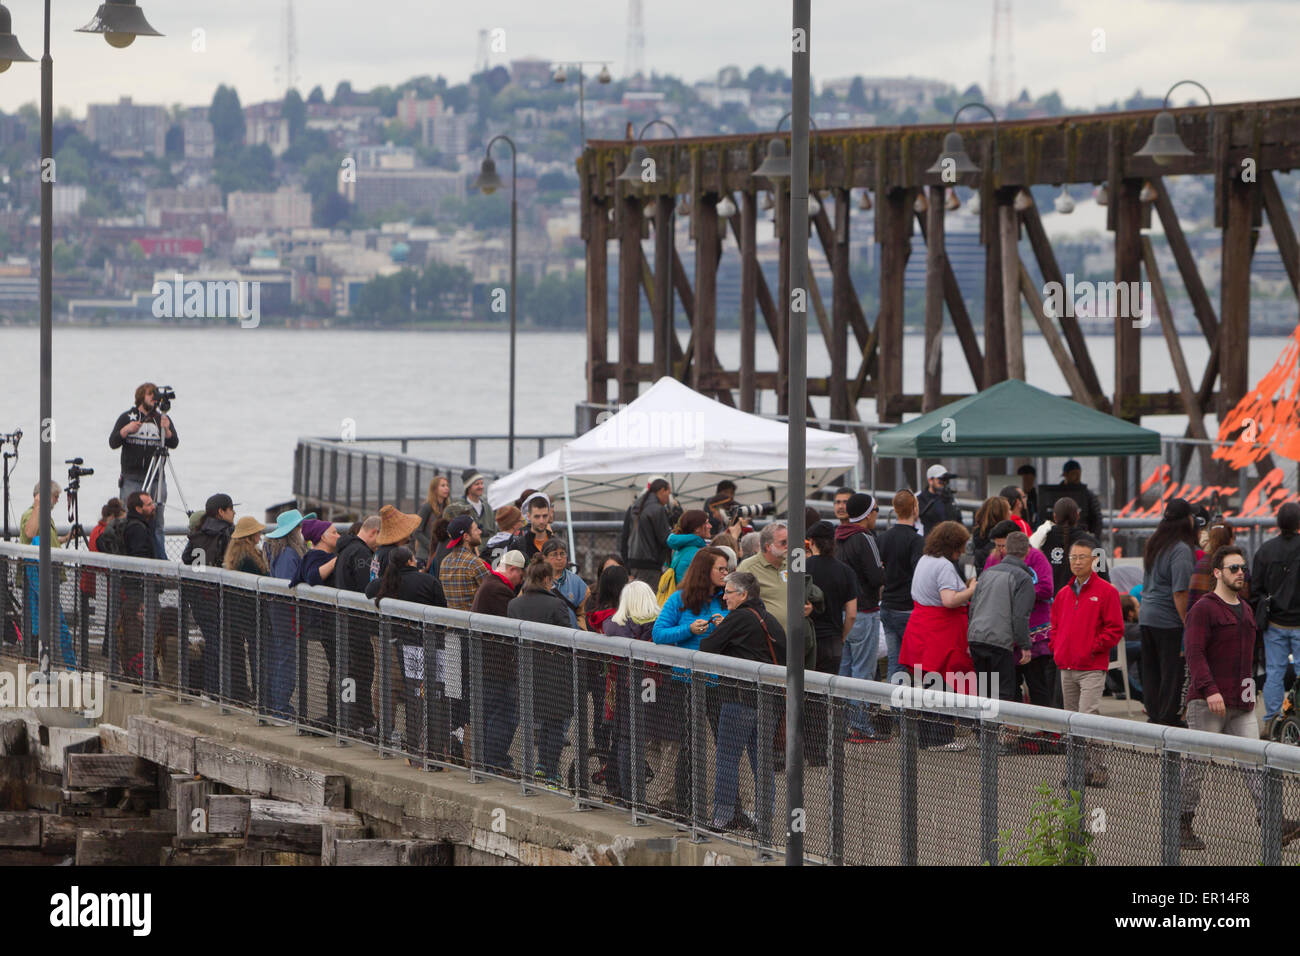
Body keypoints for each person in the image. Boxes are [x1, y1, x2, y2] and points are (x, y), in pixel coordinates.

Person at [1179, 544, 1300, 850]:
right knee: (1196, 764)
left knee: (1256, 763)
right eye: (1234, 568)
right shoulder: (1203, 609)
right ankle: (1181, 821)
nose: (1240, 573)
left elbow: (1248, 659)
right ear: (1217, 573)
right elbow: (1194, 654)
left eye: (1243, 568)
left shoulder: (1246, 610)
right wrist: (1210, 690)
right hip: (1208, 703)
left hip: (1242, 703)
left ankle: (1273, 823)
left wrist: (1252, 693)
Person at [700, 570, 786, 832]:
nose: (723, 596)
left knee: (727, 758)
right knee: (762, 762)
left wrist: (722, 628)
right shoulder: (768, 619)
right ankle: (764, 818)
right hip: (768, 702)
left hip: (738, 701)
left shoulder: (738, 618)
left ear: (743, 594)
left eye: (728, 592)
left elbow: (707, 648)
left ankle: (722, 817)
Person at [653, 546, 729, 812]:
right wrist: (688, 629)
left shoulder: (726, 600)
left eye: (726, 568)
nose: (725, 574)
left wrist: (725, 626)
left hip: (719, 683)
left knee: (726, 747)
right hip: (685, 681)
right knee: (685, 744)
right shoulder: (679, 599)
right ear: (704, 571)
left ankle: (727, 807)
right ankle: (679, 803)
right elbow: (658, 633)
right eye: (720, 569)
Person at [1051, 535, 1123, 787]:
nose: (1077, 562)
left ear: (1094, 559)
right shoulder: (1063, 594)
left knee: (1088, 716)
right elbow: (1055, 626)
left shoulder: (1107, 592)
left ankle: (1098, 769)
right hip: (1067, 666)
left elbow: (1115, 629)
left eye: (1082, 557)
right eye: (1073, 557)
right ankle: (1076, 771)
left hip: (1091, 666)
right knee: (1071, 720)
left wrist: (1092, 648)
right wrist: (1057, 647)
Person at [899, 521, 976, 751]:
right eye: (960, 546)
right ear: (952, 544)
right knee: (944, 684)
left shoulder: (925, 559)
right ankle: (941, 738)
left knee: (927, 683)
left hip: (921, 627)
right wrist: (973, 589)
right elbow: (949, 600)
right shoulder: (943, 566)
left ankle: (925, 739)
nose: (962, 551)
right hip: (940, 632)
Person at [368, 545, 446, 751]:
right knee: (433, 694)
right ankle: (430, 742)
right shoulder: (428, 581)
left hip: (405, 645)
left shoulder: (390, 583)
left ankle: (413, 742)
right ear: (412, 561)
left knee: (413, 692)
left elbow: (369, 591)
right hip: (431, 645)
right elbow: (443, 611)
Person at [601, 580, 672, 808]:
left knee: (624, 738)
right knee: (649, 737)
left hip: (622, 686)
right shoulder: (658, 625)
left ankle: (629, 797)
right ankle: (644, 797)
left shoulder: (613, 624)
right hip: (652, 686)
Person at [507, 557, 574, 787]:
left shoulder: (514, 605)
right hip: (554, 673)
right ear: (547, 579)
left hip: (526, 672)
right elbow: (567, 640)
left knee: (540, 721)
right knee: (555, 723)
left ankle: (538, 766)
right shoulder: (556, 605)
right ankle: (552, 771)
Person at [985, 519, 1057, 707]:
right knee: (1010, 688)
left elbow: (1047, 588)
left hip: (1034, 632)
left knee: (1038, 685)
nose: (1001, 550)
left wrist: (1017, 591)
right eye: (998, 545)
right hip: (1005, 636)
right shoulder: (993, 559)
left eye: (1003, 545)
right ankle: (1015, 731)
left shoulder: (1035, 557)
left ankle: (1048, 732)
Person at [1138, 498, 1197, 727]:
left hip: (1147, 616)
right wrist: (1187, 622)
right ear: (1186, 520)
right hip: (1168, 620)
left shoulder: (1154, 542)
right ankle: (1168, 719)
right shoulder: (1181, 549)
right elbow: (1180, 592)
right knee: (1172, 673)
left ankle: (1155, 715)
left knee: (1151, 671)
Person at [832, 496, 887, 738]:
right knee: (862, 672)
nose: (876, 515)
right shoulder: (865, 538)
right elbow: (877, 577)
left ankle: (842, 725)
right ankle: (860, 726)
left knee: (843, 671)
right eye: (876, 510)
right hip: (865, 611)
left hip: (841, 612)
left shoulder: (838, 536)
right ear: (867, 514)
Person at [471, 550, 527, 773]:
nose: (520, 579)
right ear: (512, 569)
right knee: (503, 713)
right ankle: (494, 760)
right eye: (520, 574)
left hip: (488, 663)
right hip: (497, 666)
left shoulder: (490, 583)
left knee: (491, 713)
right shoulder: (499, 590)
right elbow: (513, 625)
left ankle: (489, 759)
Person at [108, 382, 178, 559]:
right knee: (127, 521)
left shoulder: (160, 418)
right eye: (150, 395)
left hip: (156, 477)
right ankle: (127, 558)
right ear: (141, 397)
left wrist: (167, 429)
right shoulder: (127, 417)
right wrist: (126, 430)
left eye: (155, 396)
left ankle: (159, 563)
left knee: (157, 523)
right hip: (132, 478)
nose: (153, 399)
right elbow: (113, 442)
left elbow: (174, 442)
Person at [966, 531, 1035, 706]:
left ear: (1005, 550)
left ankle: (984, 731)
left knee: (983, 692)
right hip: (999, 641)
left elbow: (973, 606)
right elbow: (1020, 615)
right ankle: (1001, 732)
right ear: (1027, 551)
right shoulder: (1024, 578)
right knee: (1004, 694)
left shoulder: (988, 573)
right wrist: (1025, 645)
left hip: (976, 636)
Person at [1250, 501, 1300, 733]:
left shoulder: (1266, 550)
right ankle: (1297, 715)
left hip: (1274, 622)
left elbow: (1255, 588)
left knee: (1274, 672)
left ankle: (1272, 720)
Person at [333, 514, 381, 733]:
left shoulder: (345, 549)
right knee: (362, 673)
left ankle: (351, 718)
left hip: (345, 620)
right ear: (374, 532)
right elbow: (367, 588)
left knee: (350, 672)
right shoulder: (361, 553)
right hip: (357, 623)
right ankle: (360, 720)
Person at [264, 508, 309, 719]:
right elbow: (288, 586)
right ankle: (280, 709)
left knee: (282, 657)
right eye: (299, 526)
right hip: (287, 614)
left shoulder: (275, 550)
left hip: (279, 612)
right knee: (286, 660)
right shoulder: (289, 554)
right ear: (294, 530)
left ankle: (278, 705)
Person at [219, 515, 268, 703]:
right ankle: (260, 693)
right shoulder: (248, 557)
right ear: (249, 536)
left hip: (241, 610)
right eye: (257, 532)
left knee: (253, 652)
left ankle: (256, 692)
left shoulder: (235, 554)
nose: (260, 534)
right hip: (252, 611)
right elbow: (261, 578)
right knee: (258, 652)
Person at [879, 489, 926, 683]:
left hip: (888, 605)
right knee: (918, 663)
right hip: (908, 608)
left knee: (894, 662)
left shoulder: (883, 538)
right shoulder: (916, 541)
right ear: (915, 508)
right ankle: (914, 709)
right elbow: (919, 573)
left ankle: (896, 711)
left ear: (895, 509)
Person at [1032, 497, 1087, 596]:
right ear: (1078, 516)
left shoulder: (1041, 540)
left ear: (1054, 516)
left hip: (1049, 605)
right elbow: (1104, 578)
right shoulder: (1090, 542)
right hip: (1081, 605)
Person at [626, 478, 676, 586]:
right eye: (669, 493)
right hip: (650, 563)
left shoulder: (637, 506)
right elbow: (665, 538)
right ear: (662, 490)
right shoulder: (657, 509)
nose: (669, 498)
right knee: (651, 597)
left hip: (634, 559)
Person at [440, 515, 488, 611]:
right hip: (473, 622)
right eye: (476, 529)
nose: (480, 532)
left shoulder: (444, 562)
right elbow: (491, 593)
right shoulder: (474, 563)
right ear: (466, 536)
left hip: (452, 622)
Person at [543, 538, 588, 629]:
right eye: (554, 554)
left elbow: (584, 612)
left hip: (571, 635)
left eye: (562, 554)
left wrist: (580, 630)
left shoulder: (577, 582)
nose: (559, 558)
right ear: (545, 558)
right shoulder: (536, 580)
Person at [1052, 459, 1103, 538]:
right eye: (1074, 474)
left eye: (1079, 474)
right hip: (1059, 535)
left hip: (1082, 536)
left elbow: (1097, 518)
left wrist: (1094, 537)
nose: (1077, 477)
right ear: (1065, 474)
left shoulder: (1088, 495)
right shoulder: (1055, 494)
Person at [444, 469, 496, 537]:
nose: (481, 486)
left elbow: (494, 532)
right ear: (468, 487)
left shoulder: (488, 507)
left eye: (482, 483)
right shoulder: (459, 509)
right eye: (477, 484)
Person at [413, 475, 451, 565]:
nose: (446, 488)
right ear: (434, 489)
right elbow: (416, 531)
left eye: (447, 485)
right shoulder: (427, 507)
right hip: (425, 556)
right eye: (443, 486)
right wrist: (431, 546)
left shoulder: (448, 508)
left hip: (441, 556)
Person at [970, 496, 1011, 577]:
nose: (1011, 512)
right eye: (1008, 510)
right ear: (1001, 515)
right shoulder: (1000, 541)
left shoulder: (978, 536)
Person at [917, 464, 962, 535]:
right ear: (930, 480)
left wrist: (948, 504)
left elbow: (957, 520)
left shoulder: (949, 499)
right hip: (929, 541)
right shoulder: (920, 499)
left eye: (946, 480)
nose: (944, 483)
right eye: (941, 480)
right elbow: (925, 519)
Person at [20, 480, 69, 546]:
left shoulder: (45, 516)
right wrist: (37, 505)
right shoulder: (30, 514)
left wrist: (66, 538)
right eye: (56, 497)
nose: (57, 501)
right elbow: (30, 533)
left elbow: (47, 543)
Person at [508, 494, 554, 562]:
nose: (541, 521)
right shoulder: (519, 544)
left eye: (544, 516)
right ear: (529, 516)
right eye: (537, 516)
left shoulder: (555, 543)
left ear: (549, 515)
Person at [122, 490, 157, 560]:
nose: (153, 507)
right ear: (138, 509)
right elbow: (140, 557)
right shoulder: (137, 529)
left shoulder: (128, 523)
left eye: (153, 503)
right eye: (149, 504)